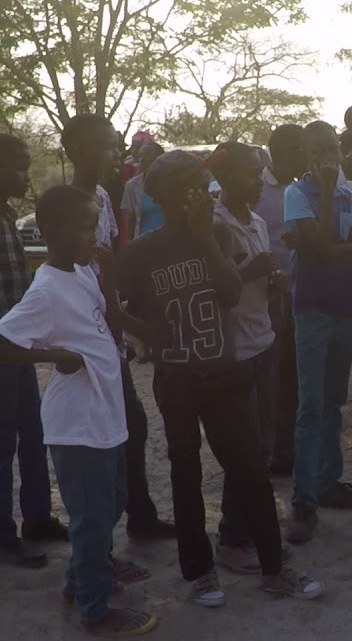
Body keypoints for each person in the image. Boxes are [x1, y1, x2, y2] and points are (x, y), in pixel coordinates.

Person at [115, 151, 324, 607]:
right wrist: (143, 331)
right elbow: (113, 301)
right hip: (176, 382)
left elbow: (230, 292)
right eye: (198, 187)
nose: (208, 194)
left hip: (223, 375)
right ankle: (200, 573)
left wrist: (206, 238)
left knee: (250, 469)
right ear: (172, 196)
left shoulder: (219, 233)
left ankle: (274, 567)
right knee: (185, 472)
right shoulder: (142, 252)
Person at [0, 185, 157, 636]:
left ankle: (80, 580)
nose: (97, 235)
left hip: (104, 415)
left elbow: (107, 314)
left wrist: (106, 273)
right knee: (91, 520)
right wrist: (54, 356)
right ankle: (94, 608)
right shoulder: (47, 289)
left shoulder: (82, 270)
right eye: (88, 227)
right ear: (52, 232)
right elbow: (5, 342)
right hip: (78, 424)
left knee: (113, 503)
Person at [61, 113, 173, 541]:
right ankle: (102, 541)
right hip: (81, 332)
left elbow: (105, 269)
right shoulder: (66, 206)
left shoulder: (103, 199)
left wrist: (122, 319)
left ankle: (137, 517)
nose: (116, 153)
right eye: (107, 145)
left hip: (104, 326)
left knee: (131, 423)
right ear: (76, 151)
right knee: (107, 433)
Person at [284, 121, 352, 545]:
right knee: (310, 407)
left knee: (334, 402)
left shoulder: (347, 195)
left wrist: (327, 250)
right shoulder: (297, 194)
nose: (328, 155)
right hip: (313, 310)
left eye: (332, 146)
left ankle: (328, 482)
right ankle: (303, 500)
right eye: (318, 149)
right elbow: (320, 245)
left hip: (344, 308)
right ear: (306, 153)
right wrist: (321, 194)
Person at [208, 143, 285, 571]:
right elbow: (216, 290)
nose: (257, 182)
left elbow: (253, 278)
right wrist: (250, 272)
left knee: (262, 445)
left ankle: (251, 530)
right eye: (249, 174)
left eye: (259, 174)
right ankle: (233, 539)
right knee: (245, 451)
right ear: (225, 179)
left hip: (262, 340)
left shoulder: (253, 220)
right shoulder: (215, 227)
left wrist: (272, 279)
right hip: (234, 349)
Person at [0, 135, 65, 569]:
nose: (26, 175)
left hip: (19, 346)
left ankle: (38, 518)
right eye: (19, 167)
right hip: (3, 348)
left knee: (33, 434)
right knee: (4, 443)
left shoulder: (7, 216)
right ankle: (4, 534)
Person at [264, 125, 306, 476]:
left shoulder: (304, 188)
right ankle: (274, 449)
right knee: (272, 375)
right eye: (297, 150)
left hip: (300, 293)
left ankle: (287, 448)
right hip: (266, 297)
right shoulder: (255, 189)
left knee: (292, 374)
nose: (303, 158)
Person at [120, 141, 165, 243]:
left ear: (159, 158)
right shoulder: (131, 186)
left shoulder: (171, 184)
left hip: (168, 243)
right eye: (140, 156)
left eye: (147, 155)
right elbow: (130, 220)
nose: (142, 160)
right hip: (143, 243)